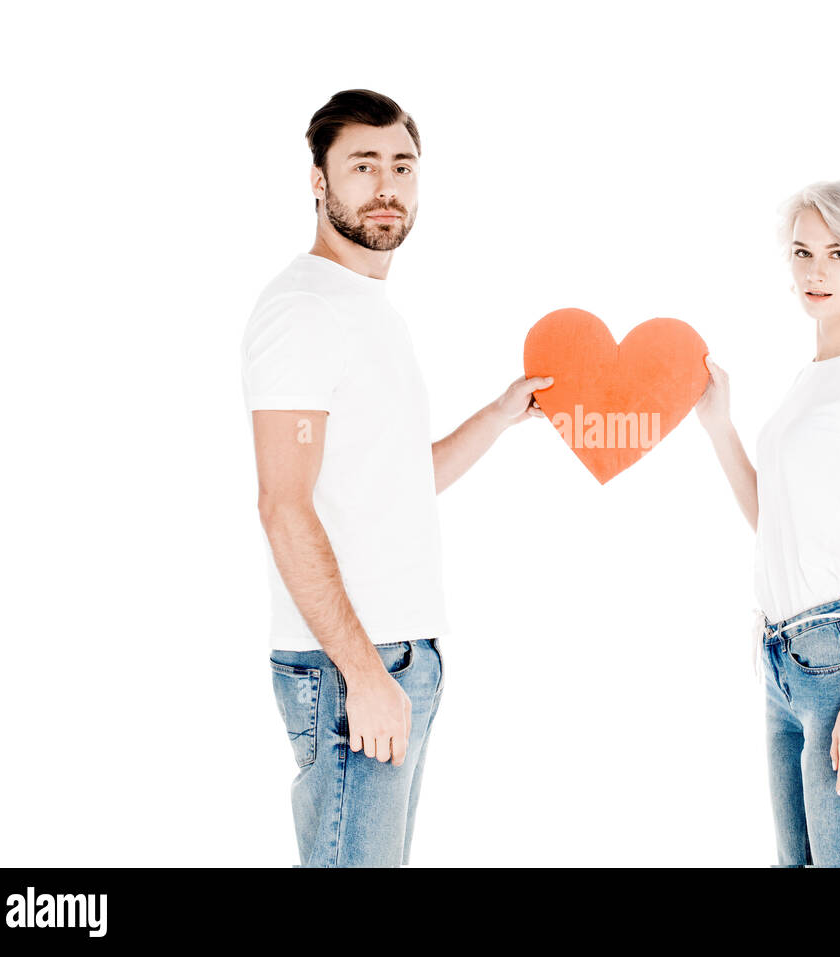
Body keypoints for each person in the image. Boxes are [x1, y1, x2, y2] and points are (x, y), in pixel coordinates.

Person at [240, 89, 550, 867]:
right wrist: (364, 671)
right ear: (318, 179)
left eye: (402, 166)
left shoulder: (368, 308)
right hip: (355, 664)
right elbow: (282, 505)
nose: (387, 186)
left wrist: (499, 414)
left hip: (399, 655)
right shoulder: (304, 310)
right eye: (363, 165)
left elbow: (398, 483)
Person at [695, 178, 840, 867]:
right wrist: (720, 427)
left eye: (838, 253)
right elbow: (775, 522)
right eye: (803, 252)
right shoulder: (809, 381)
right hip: (783, 660)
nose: (816, 271)